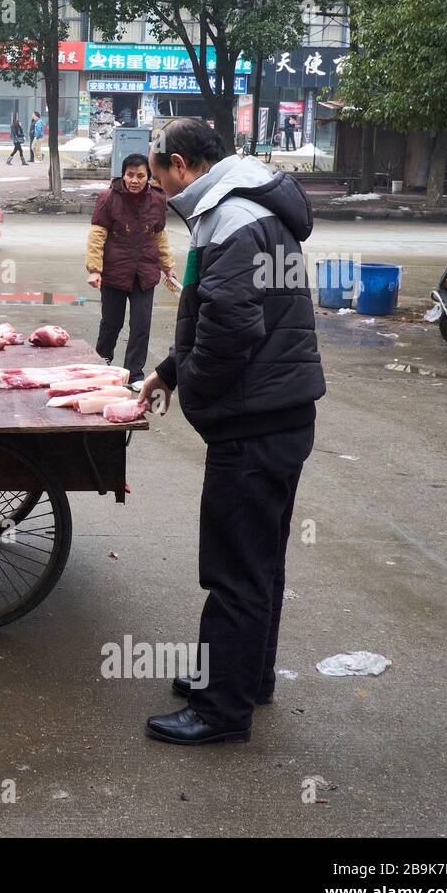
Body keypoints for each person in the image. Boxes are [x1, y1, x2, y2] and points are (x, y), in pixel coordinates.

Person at [138, 118, 325, 744]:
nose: (157, 184)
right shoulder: (234, 208)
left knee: (234, 567)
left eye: (159, 169)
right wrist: (169, 371)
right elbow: (212, 308)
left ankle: (222, 711)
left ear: (182, 164)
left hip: (255, 422)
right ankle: (245, 677)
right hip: (277, 415)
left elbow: (231, 328)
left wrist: (198, 388)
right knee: (259, 559)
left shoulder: (234, 217)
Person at [85, 153, 176, 390]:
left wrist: (168, 266)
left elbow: (160, 236)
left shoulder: (157, 200)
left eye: (140, 175)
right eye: (130, 174)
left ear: (148, 177)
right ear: (123, 174)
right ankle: (101, 365)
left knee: (141, 325)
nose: (134, 180)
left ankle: (133, 373)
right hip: (115, 273)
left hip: (145, 274)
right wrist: (95, 269)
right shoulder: (108, 198)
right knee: (111, 324)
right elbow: (97, 235)